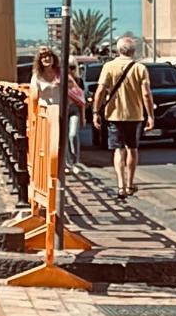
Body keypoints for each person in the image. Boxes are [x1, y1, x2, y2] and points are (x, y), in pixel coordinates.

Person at [92, 34, 155, 197]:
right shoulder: (140, 68)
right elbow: (146, 94)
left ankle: (120, 185)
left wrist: (95, 112)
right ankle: (130, 183)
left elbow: (100, 91)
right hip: (134, 115)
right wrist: (150, 116)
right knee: (132, 149)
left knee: (118, 150)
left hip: (114, 115)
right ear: (133, 51)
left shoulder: (108, 67)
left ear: (118, 50)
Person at [65, 58, 87, 165]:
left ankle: (75, 161)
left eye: (72, 67)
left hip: (75, 110)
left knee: (73, 134)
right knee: (64, 137)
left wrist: (83, 118)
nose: (70, 70)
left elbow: (82, 101)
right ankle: (68, 161)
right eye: (67, 67)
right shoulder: (59, 80)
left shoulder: (79, 81)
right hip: (62, 111)